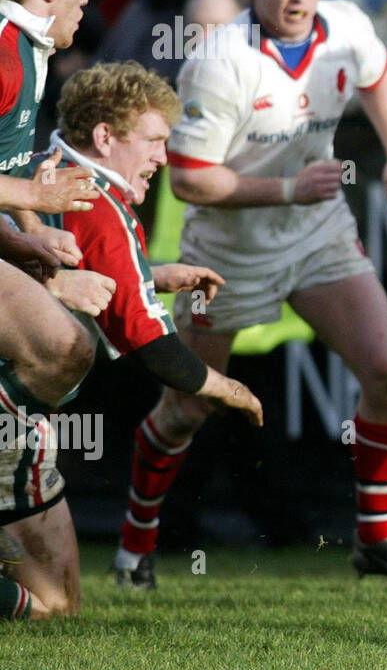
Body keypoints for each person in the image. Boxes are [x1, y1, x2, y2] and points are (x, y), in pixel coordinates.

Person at [132, 0, 387, 589]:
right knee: (188, 406)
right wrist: (291, 187)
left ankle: (376, 537)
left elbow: (380, 73)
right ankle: (135, 542)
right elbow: (190, 179)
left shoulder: (346, 25)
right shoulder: (219, 59)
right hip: (228, 249)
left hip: (315, 229)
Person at [11, 63, 263, 609]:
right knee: (54, 605)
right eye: (153, 140)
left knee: (54, 599)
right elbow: (154, 347)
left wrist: (150, 275)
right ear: (105, 138)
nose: (163, 158)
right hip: (10, 410)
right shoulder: (96, 200)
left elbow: (79, 271)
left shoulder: (44, 168)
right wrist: (226, 388)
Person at [0, 0, 122, 621]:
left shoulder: (29, 51)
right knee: (62, 343)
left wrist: (35, 243)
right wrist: (35, 195)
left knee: (53, 607)